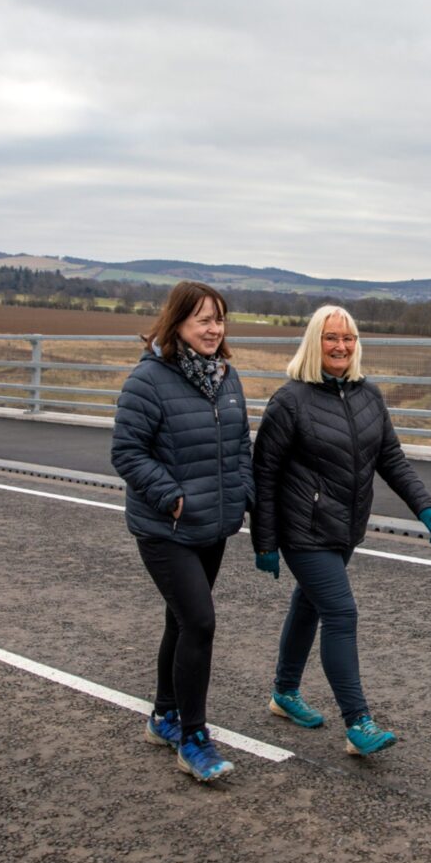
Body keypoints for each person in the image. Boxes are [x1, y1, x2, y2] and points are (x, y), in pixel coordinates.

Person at [251, 305, 431, 756]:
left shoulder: (368, 395)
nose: (341, 346)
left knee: (309, 605)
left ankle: (284, 692)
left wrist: (423, 504)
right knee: (341, 613)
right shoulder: (290, 400)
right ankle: (358, 722)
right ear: (313, 342)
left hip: (345, 526)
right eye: (331, 338)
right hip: (302, 528)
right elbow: (264, 474)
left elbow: (391, 458)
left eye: (349, 338)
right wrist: (265, 542)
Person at [111, 280, 254, 783]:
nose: (214, 329)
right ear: (177, 324)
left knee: (180, 620)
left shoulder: (225, 377)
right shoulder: (148, 381)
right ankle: (193, 737)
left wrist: (242, 494)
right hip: (165, 528)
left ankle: (163, 717)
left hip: (214, 524)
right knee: (200, 622)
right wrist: (171, 496)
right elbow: (127, 453)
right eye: (203, 320)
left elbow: (240, 447)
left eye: (219, 319)